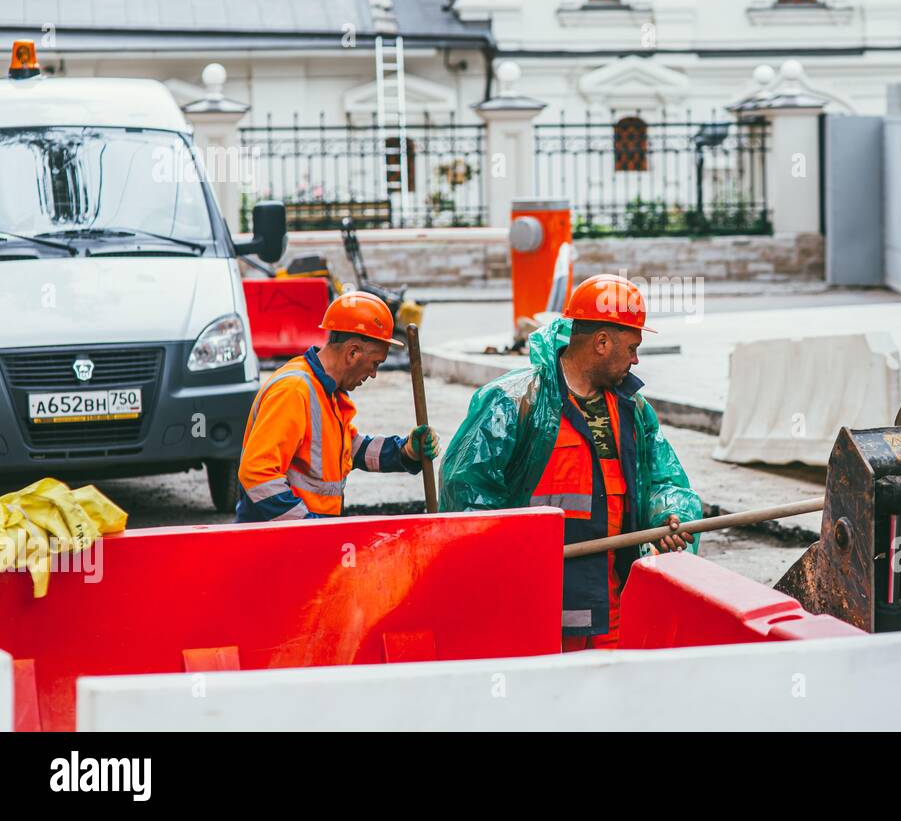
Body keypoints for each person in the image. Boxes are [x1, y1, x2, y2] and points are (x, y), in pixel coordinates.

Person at [439, 273, 702, 651]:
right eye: (631, 347)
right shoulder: (515, 401)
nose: (635, 358)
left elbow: (663, 479)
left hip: (610, 600)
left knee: (608, 693)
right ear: (600, 342)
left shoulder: (632, 408)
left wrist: (670, 515)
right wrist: (504, 550)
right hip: (535, 601)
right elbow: (465, 489)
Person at [235, 291, 438, 522]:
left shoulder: (325, 391)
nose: (373, 374)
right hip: (278, 543)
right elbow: (257, 473)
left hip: (303, 535)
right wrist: (307, 527)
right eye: (375, 364)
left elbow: (351, 448)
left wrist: (406, 451)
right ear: (353, 353)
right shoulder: (294, 390)